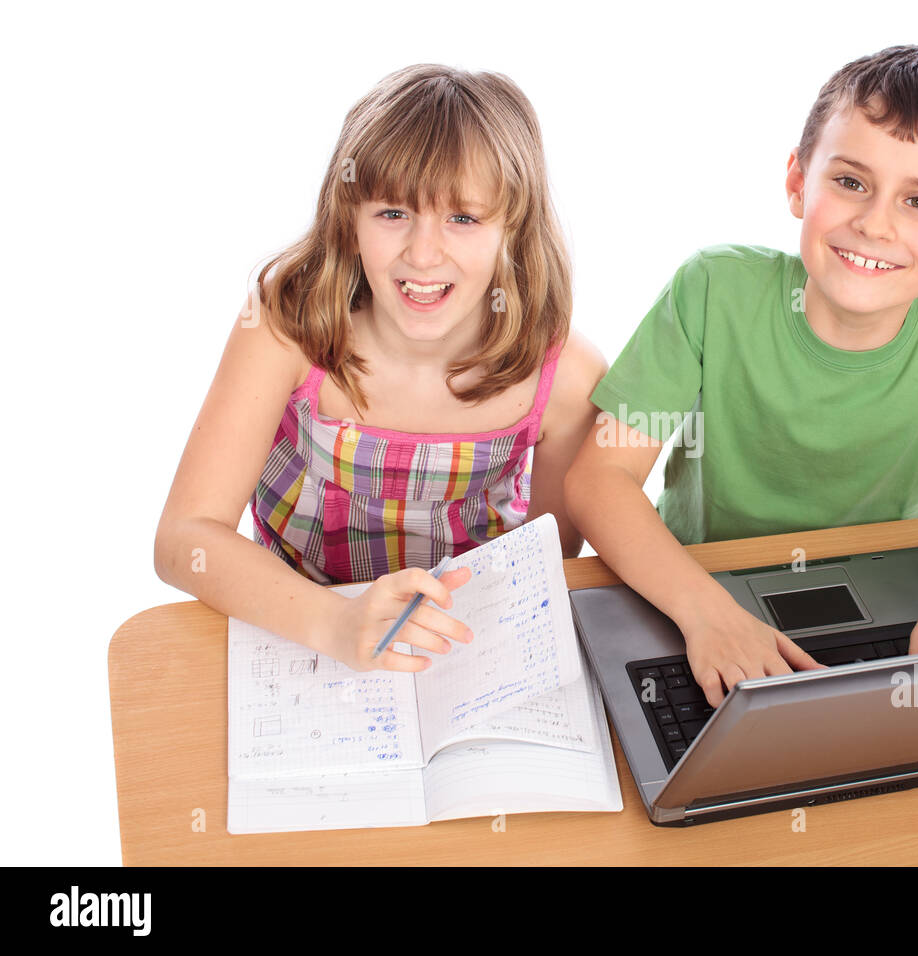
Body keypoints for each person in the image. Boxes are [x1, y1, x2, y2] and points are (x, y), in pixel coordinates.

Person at [564, 45, 918, 708]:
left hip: (872, 615)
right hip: (688, 593)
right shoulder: (713, 290)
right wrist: (706, 613)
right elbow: (599, 478)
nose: (875, 224)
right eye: (850, 182)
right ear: (798, 182)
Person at [155, 65, 606, 673]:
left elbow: (547, 563)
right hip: (299, 626)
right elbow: (184, 538)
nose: (422, 254)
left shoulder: (565, 377)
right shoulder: (283, 328)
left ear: (513, 230)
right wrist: (335, 622)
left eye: (464, 218)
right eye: (393, 213)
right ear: (350, 216)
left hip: (461, 647)